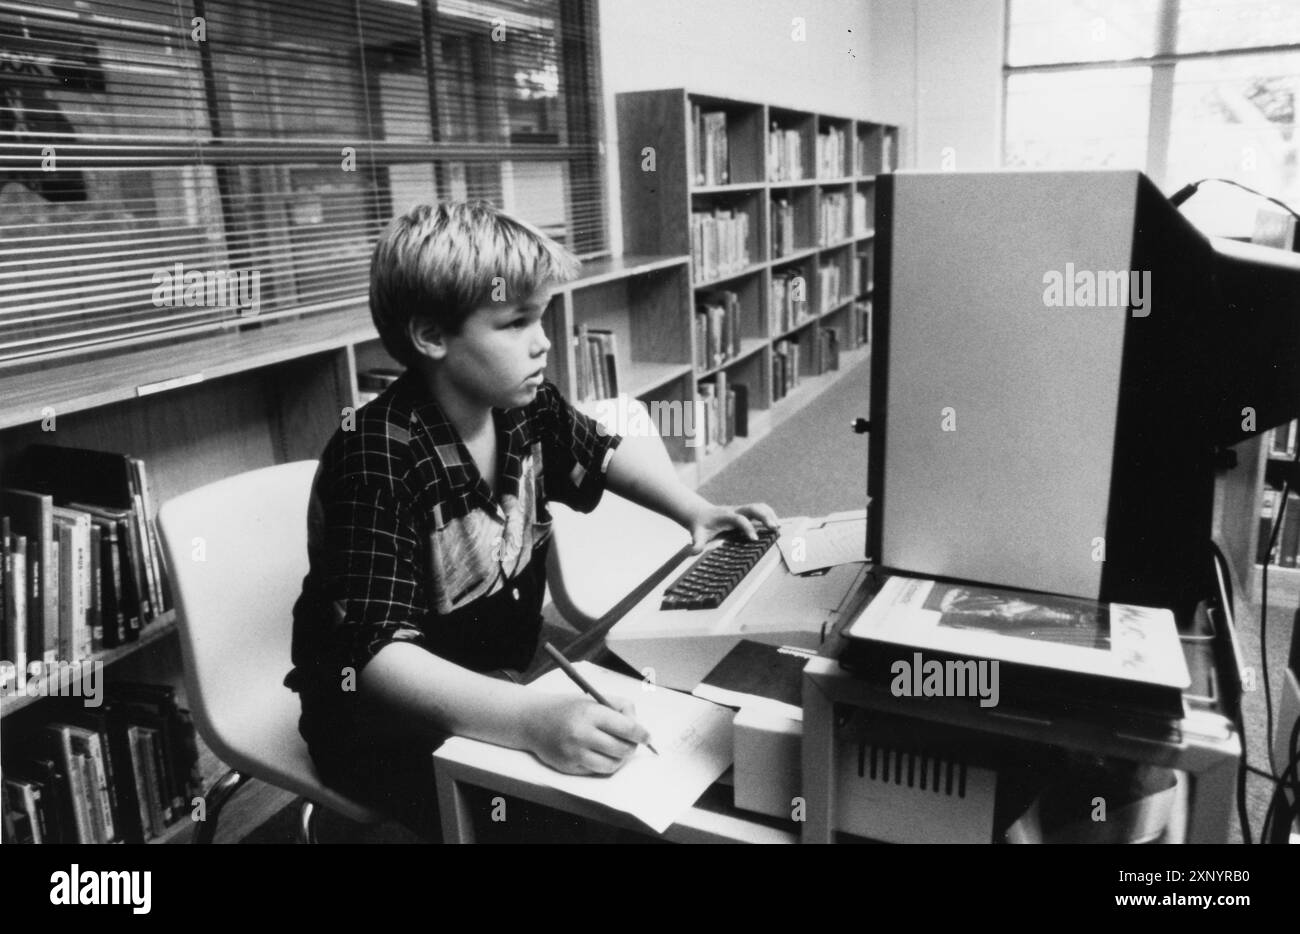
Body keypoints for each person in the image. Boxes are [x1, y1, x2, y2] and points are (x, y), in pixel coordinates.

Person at [285, 201, 777, 840]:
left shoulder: (524, 404)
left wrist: (696, 510)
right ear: (431, 335)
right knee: (569, 821)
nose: (543, 340)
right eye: (515, 322)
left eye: (540, 316)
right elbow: (378, 658)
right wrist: (529, 722)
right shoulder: (376, 454)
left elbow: (603, 454)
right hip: (377, 716)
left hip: (505, 663)